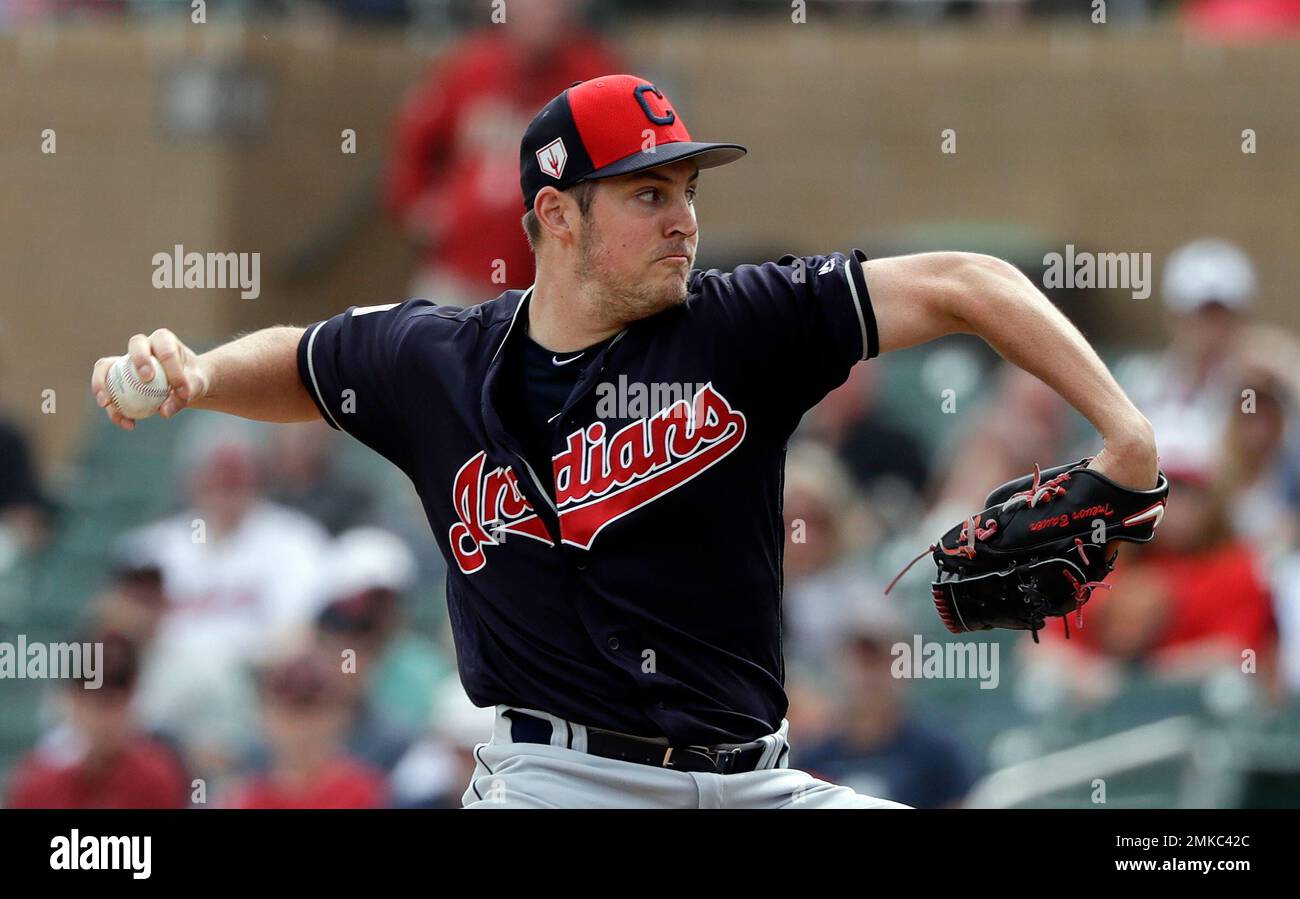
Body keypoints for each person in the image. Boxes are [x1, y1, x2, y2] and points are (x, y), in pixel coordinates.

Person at [90, 73, 1158, 809]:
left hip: (754, 780)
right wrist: (197, 376)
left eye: (687, 189)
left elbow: (970, 282)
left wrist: (1126, 432)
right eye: (648, 193)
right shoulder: (437, 361)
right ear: (556, 216)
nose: (684, 217)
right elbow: (306, 361)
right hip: (561, 783)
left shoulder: (742, 326)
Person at [384, 0, 622, 306]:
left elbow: (624, 165)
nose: (547, 11)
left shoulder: (596, 74)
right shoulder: (471, 65)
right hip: (459, 272)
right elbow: (413, 140)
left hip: (549, 283)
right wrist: (418, 208)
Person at [5, 631, 189, 809]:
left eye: (111, 703)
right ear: (72, 702)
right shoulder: (36, 785)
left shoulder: (158, 779)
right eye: (92, 703)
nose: (101, 720)